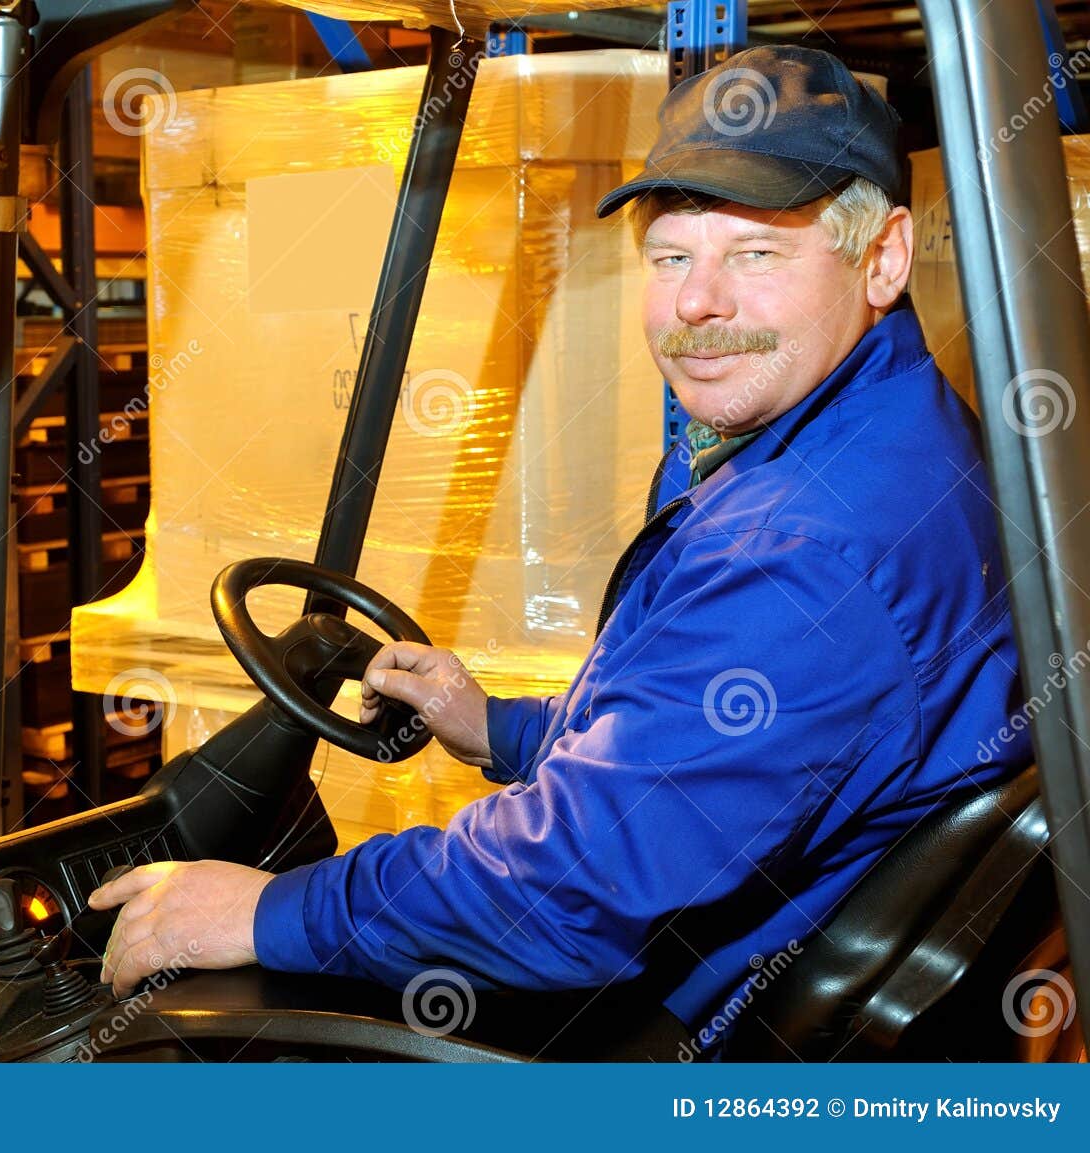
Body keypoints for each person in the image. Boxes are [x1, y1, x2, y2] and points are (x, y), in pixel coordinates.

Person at [87, 45, 1032, 1053]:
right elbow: (701, 753)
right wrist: (494, 726)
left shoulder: (805, 548)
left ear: (882, 259)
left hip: (659, 1026)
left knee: (171, 1043)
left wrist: (267, 912)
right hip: (706, 951)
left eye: (755, 255)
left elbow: (567, 887)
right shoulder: (873, 434)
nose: (695, 304)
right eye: (671, 257)